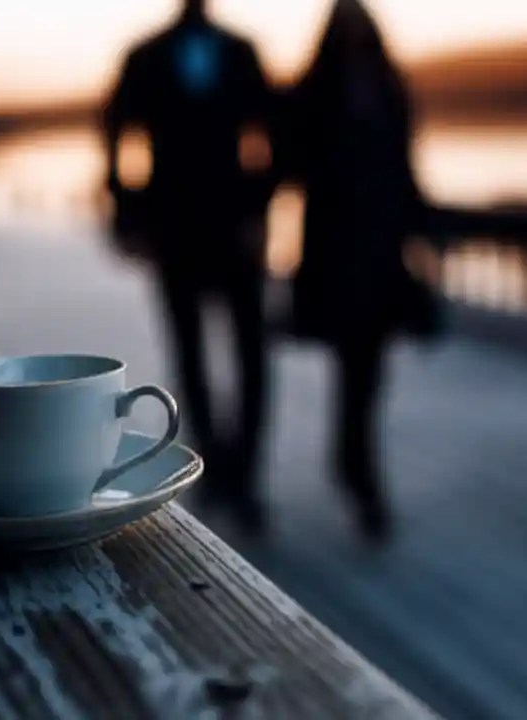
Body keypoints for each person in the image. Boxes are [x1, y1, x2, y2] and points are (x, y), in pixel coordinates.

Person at [103, 0, 276, 530]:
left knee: (252, 355)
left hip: (234, 229)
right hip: (173, 229)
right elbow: (113, 132)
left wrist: (257, 206)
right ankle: (215, 468)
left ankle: (246, 478)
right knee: (190, 353)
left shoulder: (241, 52)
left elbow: (273, 134)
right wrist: (129, 212)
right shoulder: (146, 55)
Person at [283, 0, 431, 539]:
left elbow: (407, 171)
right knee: (356, 367)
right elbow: (290, 164)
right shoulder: (316, 96)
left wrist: (420, 236)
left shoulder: (390, 92)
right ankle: (359, 472)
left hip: (381, 253)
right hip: (337, 256)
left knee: (366, 372)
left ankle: (354, 464)